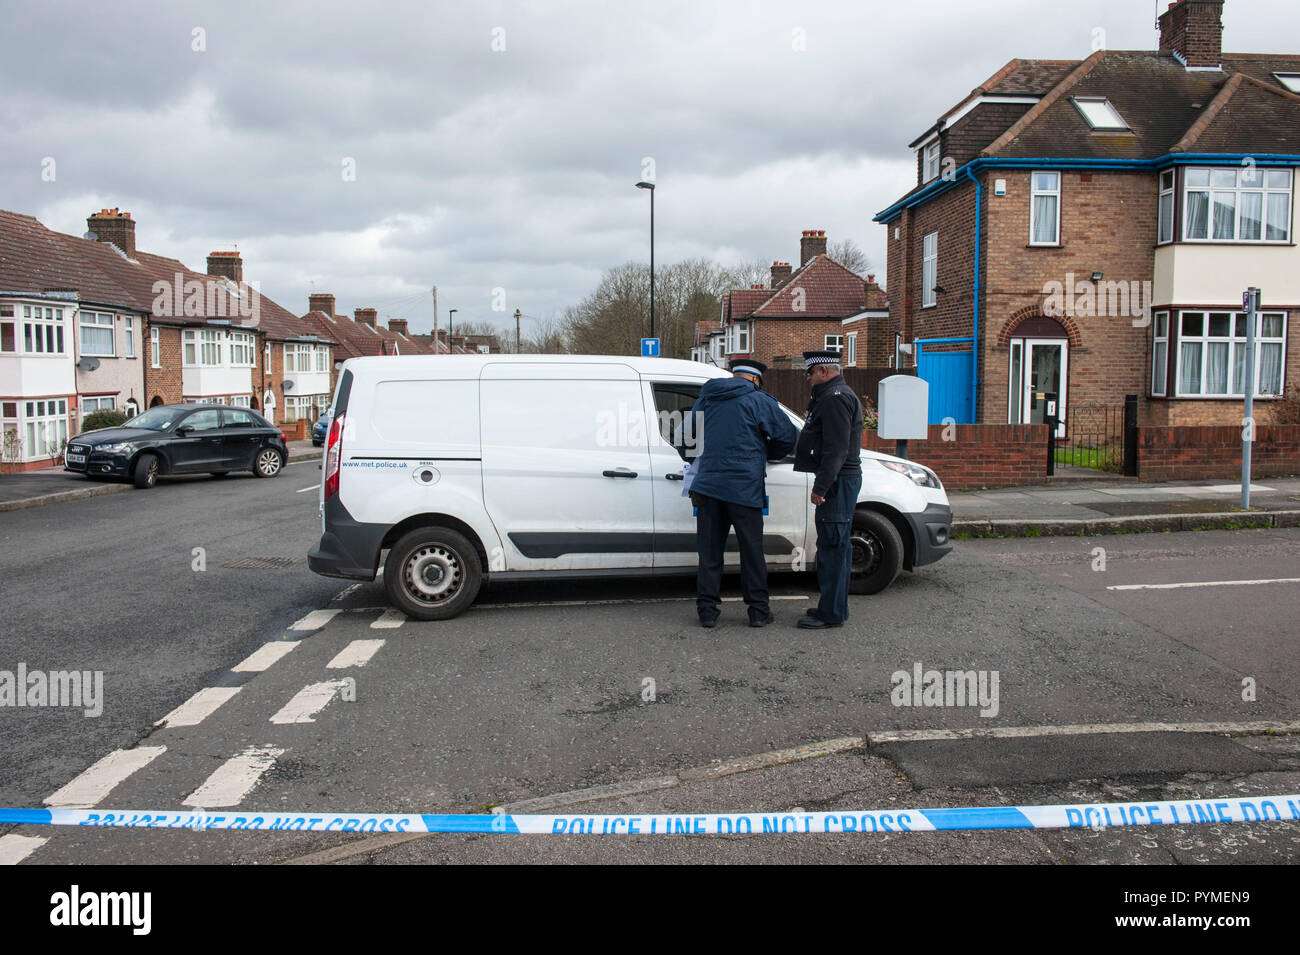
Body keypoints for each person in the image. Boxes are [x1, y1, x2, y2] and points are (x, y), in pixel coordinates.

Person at [677, 358, 798, 628]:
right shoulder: (759, 401)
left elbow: (684, 438)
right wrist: (765, 454)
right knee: (752, 552)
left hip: (707, 488)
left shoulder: (708, 397)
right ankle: (757, 612)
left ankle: (707, 611)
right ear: (755, 379)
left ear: (734, 377)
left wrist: (698, 460)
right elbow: (787, 437)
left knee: (709, 553)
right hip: (745, 489)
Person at [793, 350, 863, 629]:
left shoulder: (835, 399)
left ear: (823, 371)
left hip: (837, 482)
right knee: (835, 546)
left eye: (810, 373)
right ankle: (833, 607)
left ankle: (832, 613)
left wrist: (821, 487)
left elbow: (836, 448)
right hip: (839, 480)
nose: (808, 379)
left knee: (833, 547)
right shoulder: (832, 396)